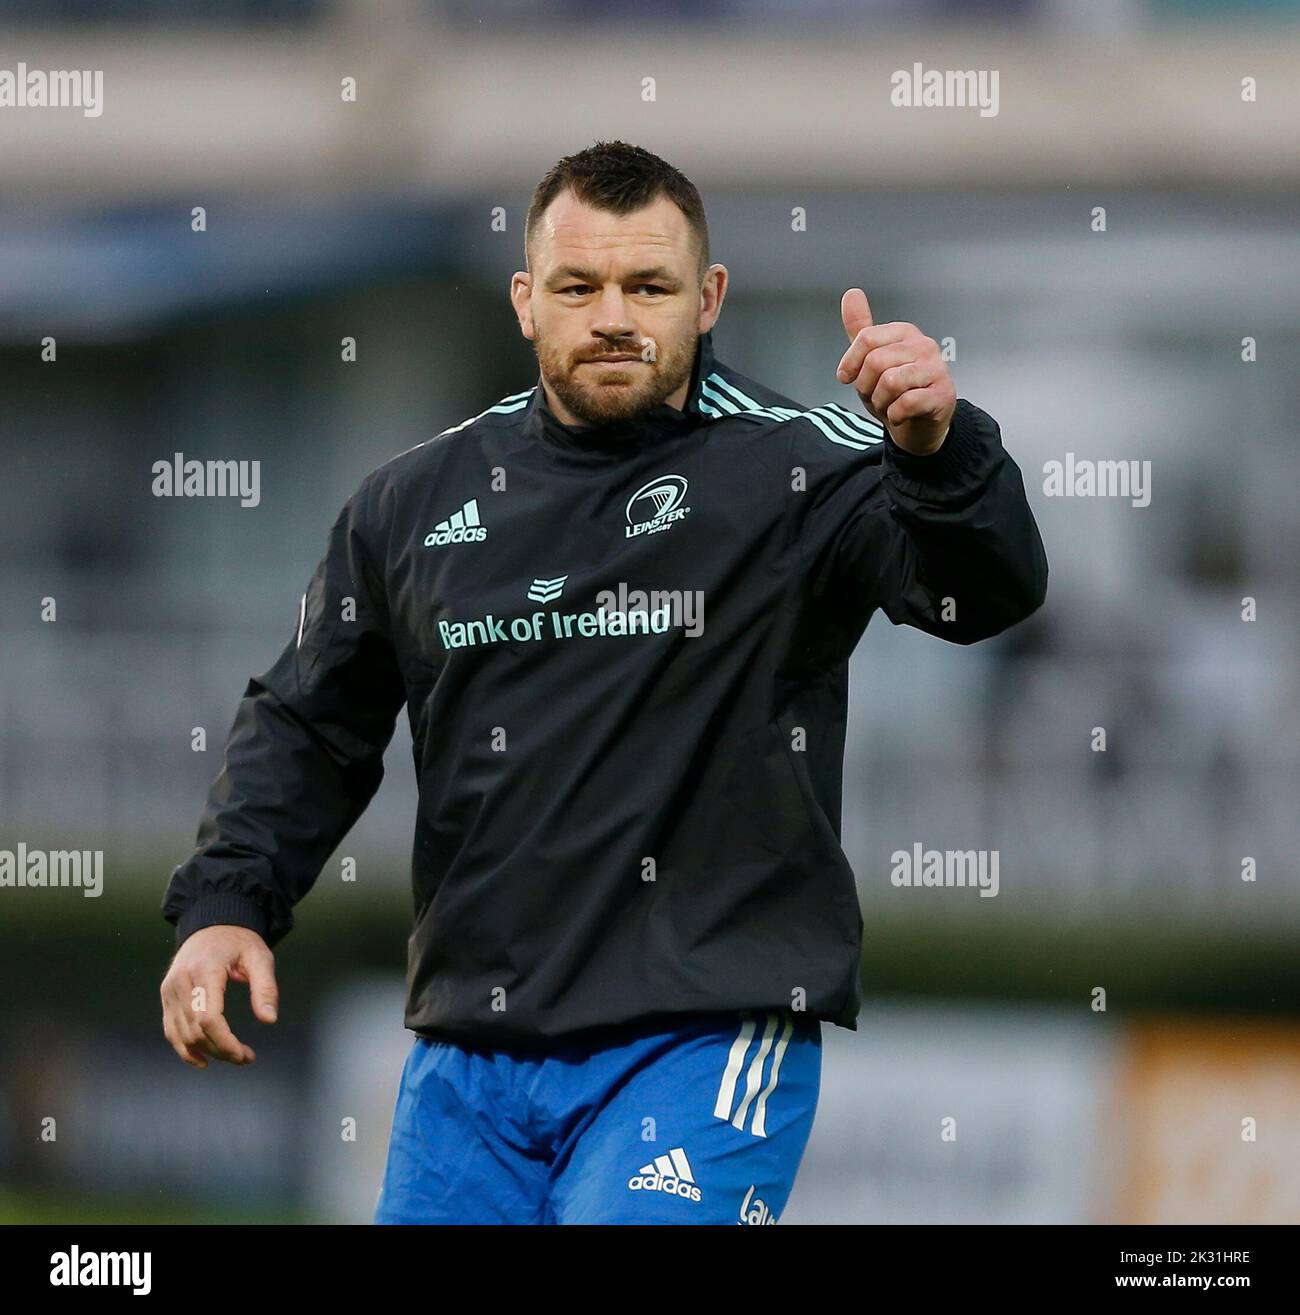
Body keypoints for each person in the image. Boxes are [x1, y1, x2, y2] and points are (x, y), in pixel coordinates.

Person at [160, 140, 1048, 1224]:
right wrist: (223, 906)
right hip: (469, 1061)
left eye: (650, 286)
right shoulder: (413, 500)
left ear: (708, 298)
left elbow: (982, 598)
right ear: (527, 301)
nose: (614, 314)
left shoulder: (805, 468)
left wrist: (939, 449)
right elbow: (308, 721)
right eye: (580, 287)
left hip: (701, 1031)